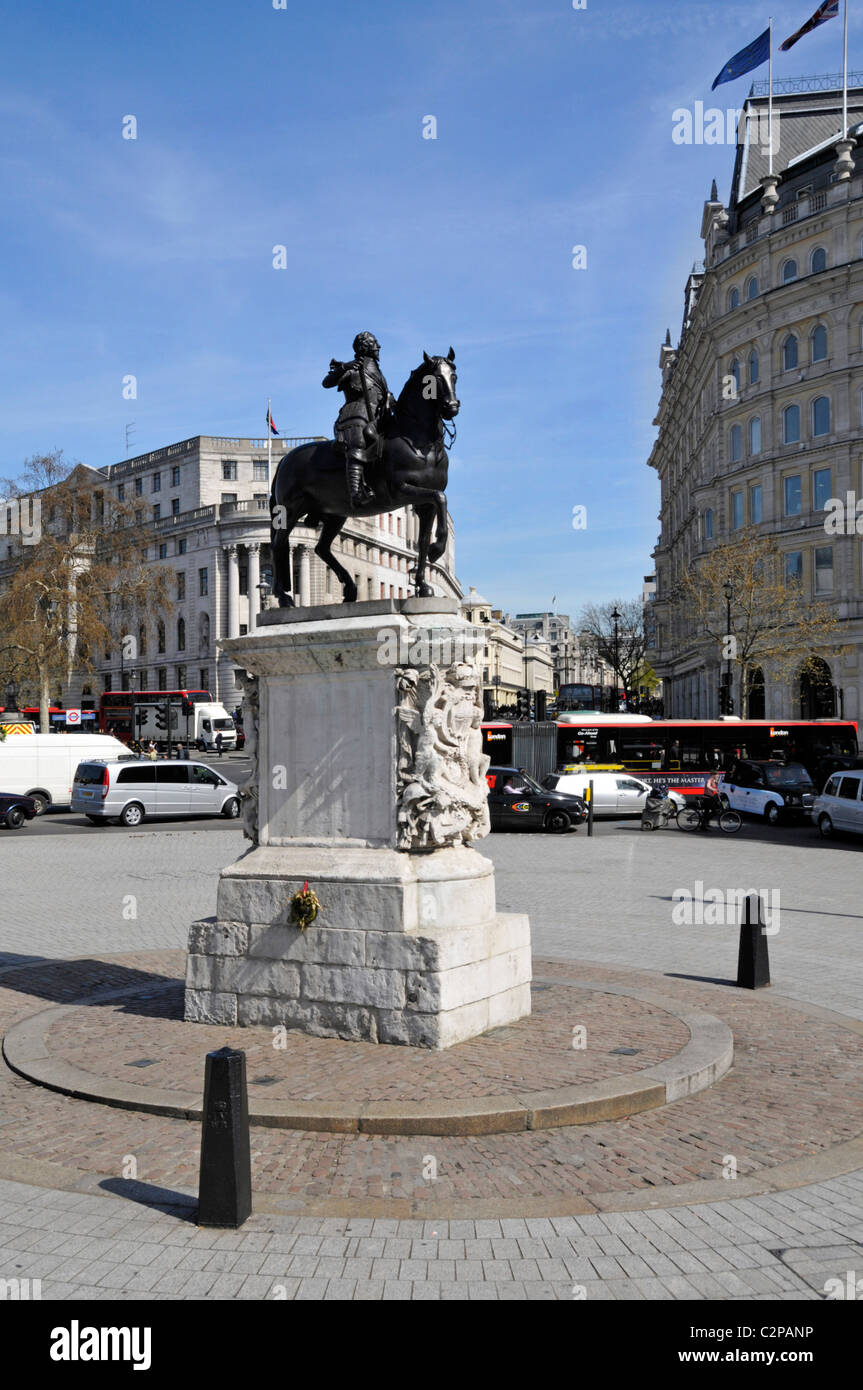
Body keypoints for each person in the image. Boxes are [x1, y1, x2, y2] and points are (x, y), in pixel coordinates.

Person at [323, 332, 395, 508]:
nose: (378, 347)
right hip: (355, 414)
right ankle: (355, 493)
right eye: (374, 343)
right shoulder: (353, 368)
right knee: (358, 444)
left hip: (377, 417)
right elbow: (327, 382)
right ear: (364, 347)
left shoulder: (378, 372)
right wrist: (344, 367)